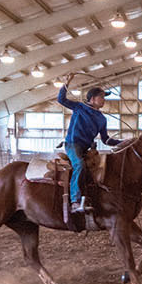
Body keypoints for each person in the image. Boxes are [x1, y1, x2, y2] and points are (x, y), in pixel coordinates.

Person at [56, 72, 112, 215]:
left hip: (86, 148)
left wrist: (125, 142)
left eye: (104, 97)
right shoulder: (79, 107)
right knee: (79, 164)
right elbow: (61, 99)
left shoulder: (102, 119)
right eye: (102, 97)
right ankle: (74, 201)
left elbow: (106, 139)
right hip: (73, 144)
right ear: (92, 99)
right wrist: (66, 84)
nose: (104, 100)